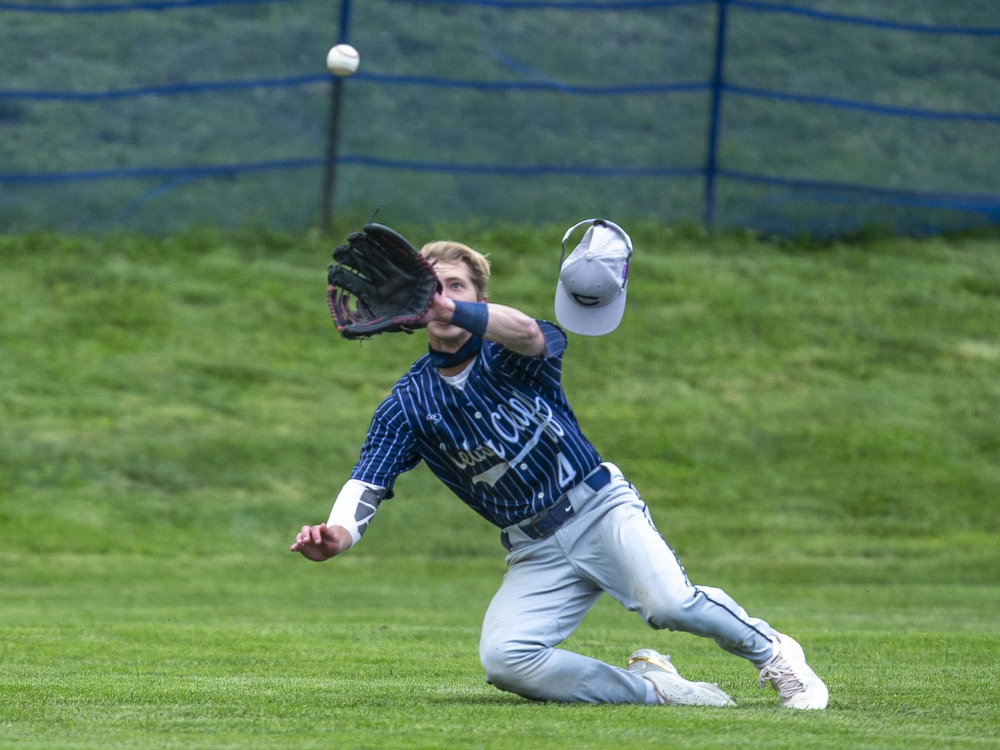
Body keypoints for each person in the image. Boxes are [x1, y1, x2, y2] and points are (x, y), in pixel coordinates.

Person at [291, 222, 829, 709]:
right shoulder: (408, 402)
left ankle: (776, 654)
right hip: (534, 547)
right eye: (431, 285)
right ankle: (654, 688)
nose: (440, 295)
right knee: (506, 659)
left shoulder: (513, 347)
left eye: (456, 285)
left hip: (598, 506)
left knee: (670, 605)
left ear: (480, 298)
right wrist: (337, 536)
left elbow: (524, 332)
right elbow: (366, 481)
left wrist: (445, 308)